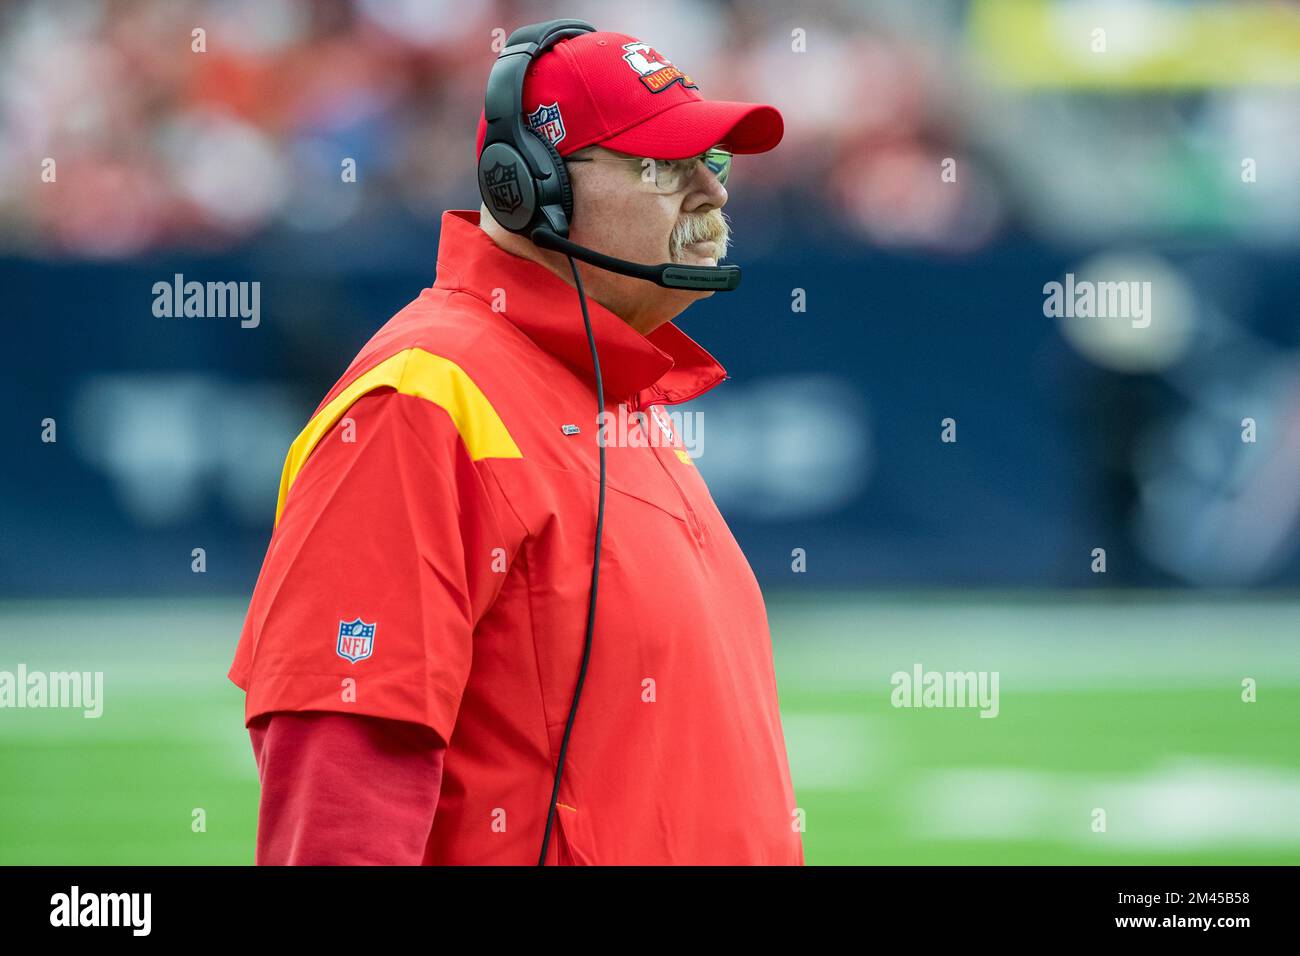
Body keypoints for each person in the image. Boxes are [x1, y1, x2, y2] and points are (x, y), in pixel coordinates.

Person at [228, 25, 803, 865]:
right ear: (529, 188)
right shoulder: (421, 402)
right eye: (664, 165)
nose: (709, 195)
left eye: (711, 164)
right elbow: (343, 785)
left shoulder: (615, 389)